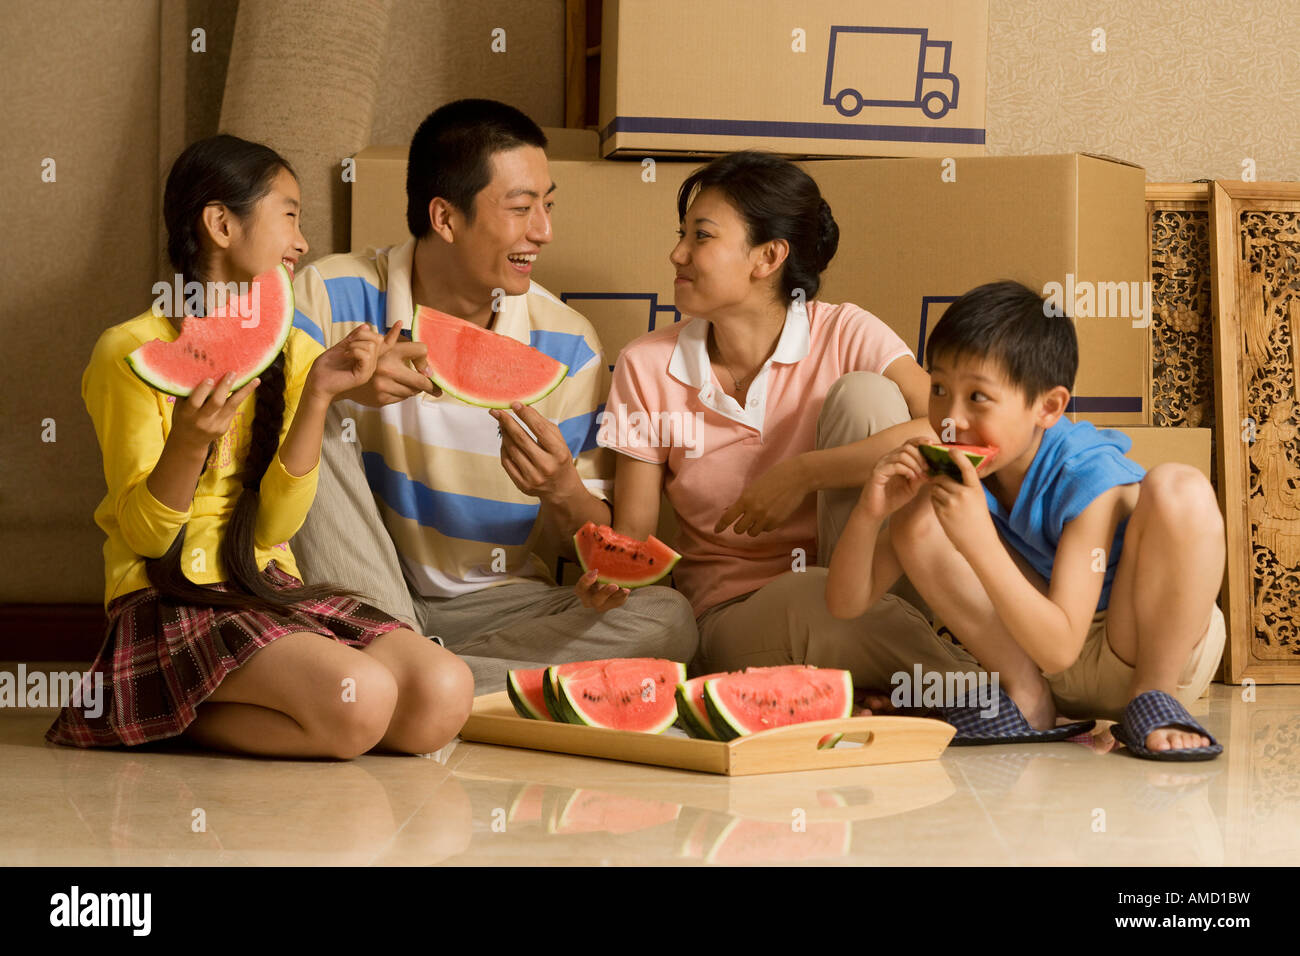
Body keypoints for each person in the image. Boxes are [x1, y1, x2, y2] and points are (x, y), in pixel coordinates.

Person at [49, 134, 474, 758]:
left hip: (266, 585)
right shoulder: (130, 353)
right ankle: (162, 712)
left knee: (441, 692)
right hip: (171, 596)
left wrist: (321, 395)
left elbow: (276, 524)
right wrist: (191, 443)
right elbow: (143, 537)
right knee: (360, 702)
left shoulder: (296, 352)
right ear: (221, 223)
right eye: (290, 215)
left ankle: (226, 705)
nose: (302, 242)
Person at [290, 99, 696, 691]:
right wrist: (335, 391)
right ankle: (417, 671)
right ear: (445, 218)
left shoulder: (567, 344)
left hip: (495, 610)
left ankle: (416, 684)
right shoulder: (329, 292)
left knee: (668, 620)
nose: (544, 232)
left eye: (548, 205)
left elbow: (591, 554)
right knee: (302, 409)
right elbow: (240, 446)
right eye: (521, 208)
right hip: (357, 588)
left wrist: (562, 491)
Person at [580, 150, 939, 687]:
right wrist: (608, 577)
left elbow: (956, 430)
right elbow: (633, 533)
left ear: (767, 257)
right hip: (736, 614)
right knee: (810, 599)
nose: (676, 253)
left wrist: (806, 472)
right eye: (682, 234)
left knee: (867, 397)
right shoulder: (646, 364)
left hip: (874, 580)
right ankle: (994, 689)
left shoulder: (847, 332)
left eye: (700, 236)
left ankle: (940, 677)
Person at [826, 280, 1226, 760]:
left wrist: (977, 538)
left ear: (1048, 407)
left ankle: (1154, 699)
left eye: (978, 397)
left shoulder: (1084, 471)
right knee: (918, 520)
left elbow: (1061, 645)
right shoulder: (949, 474)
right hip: (1046, 667)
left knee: (1179, 487)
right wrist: (871, 511)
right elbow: (845, 604)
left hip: (1140, 644)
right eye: (938, 388)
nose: (951, 419)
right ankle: (1027, 697)